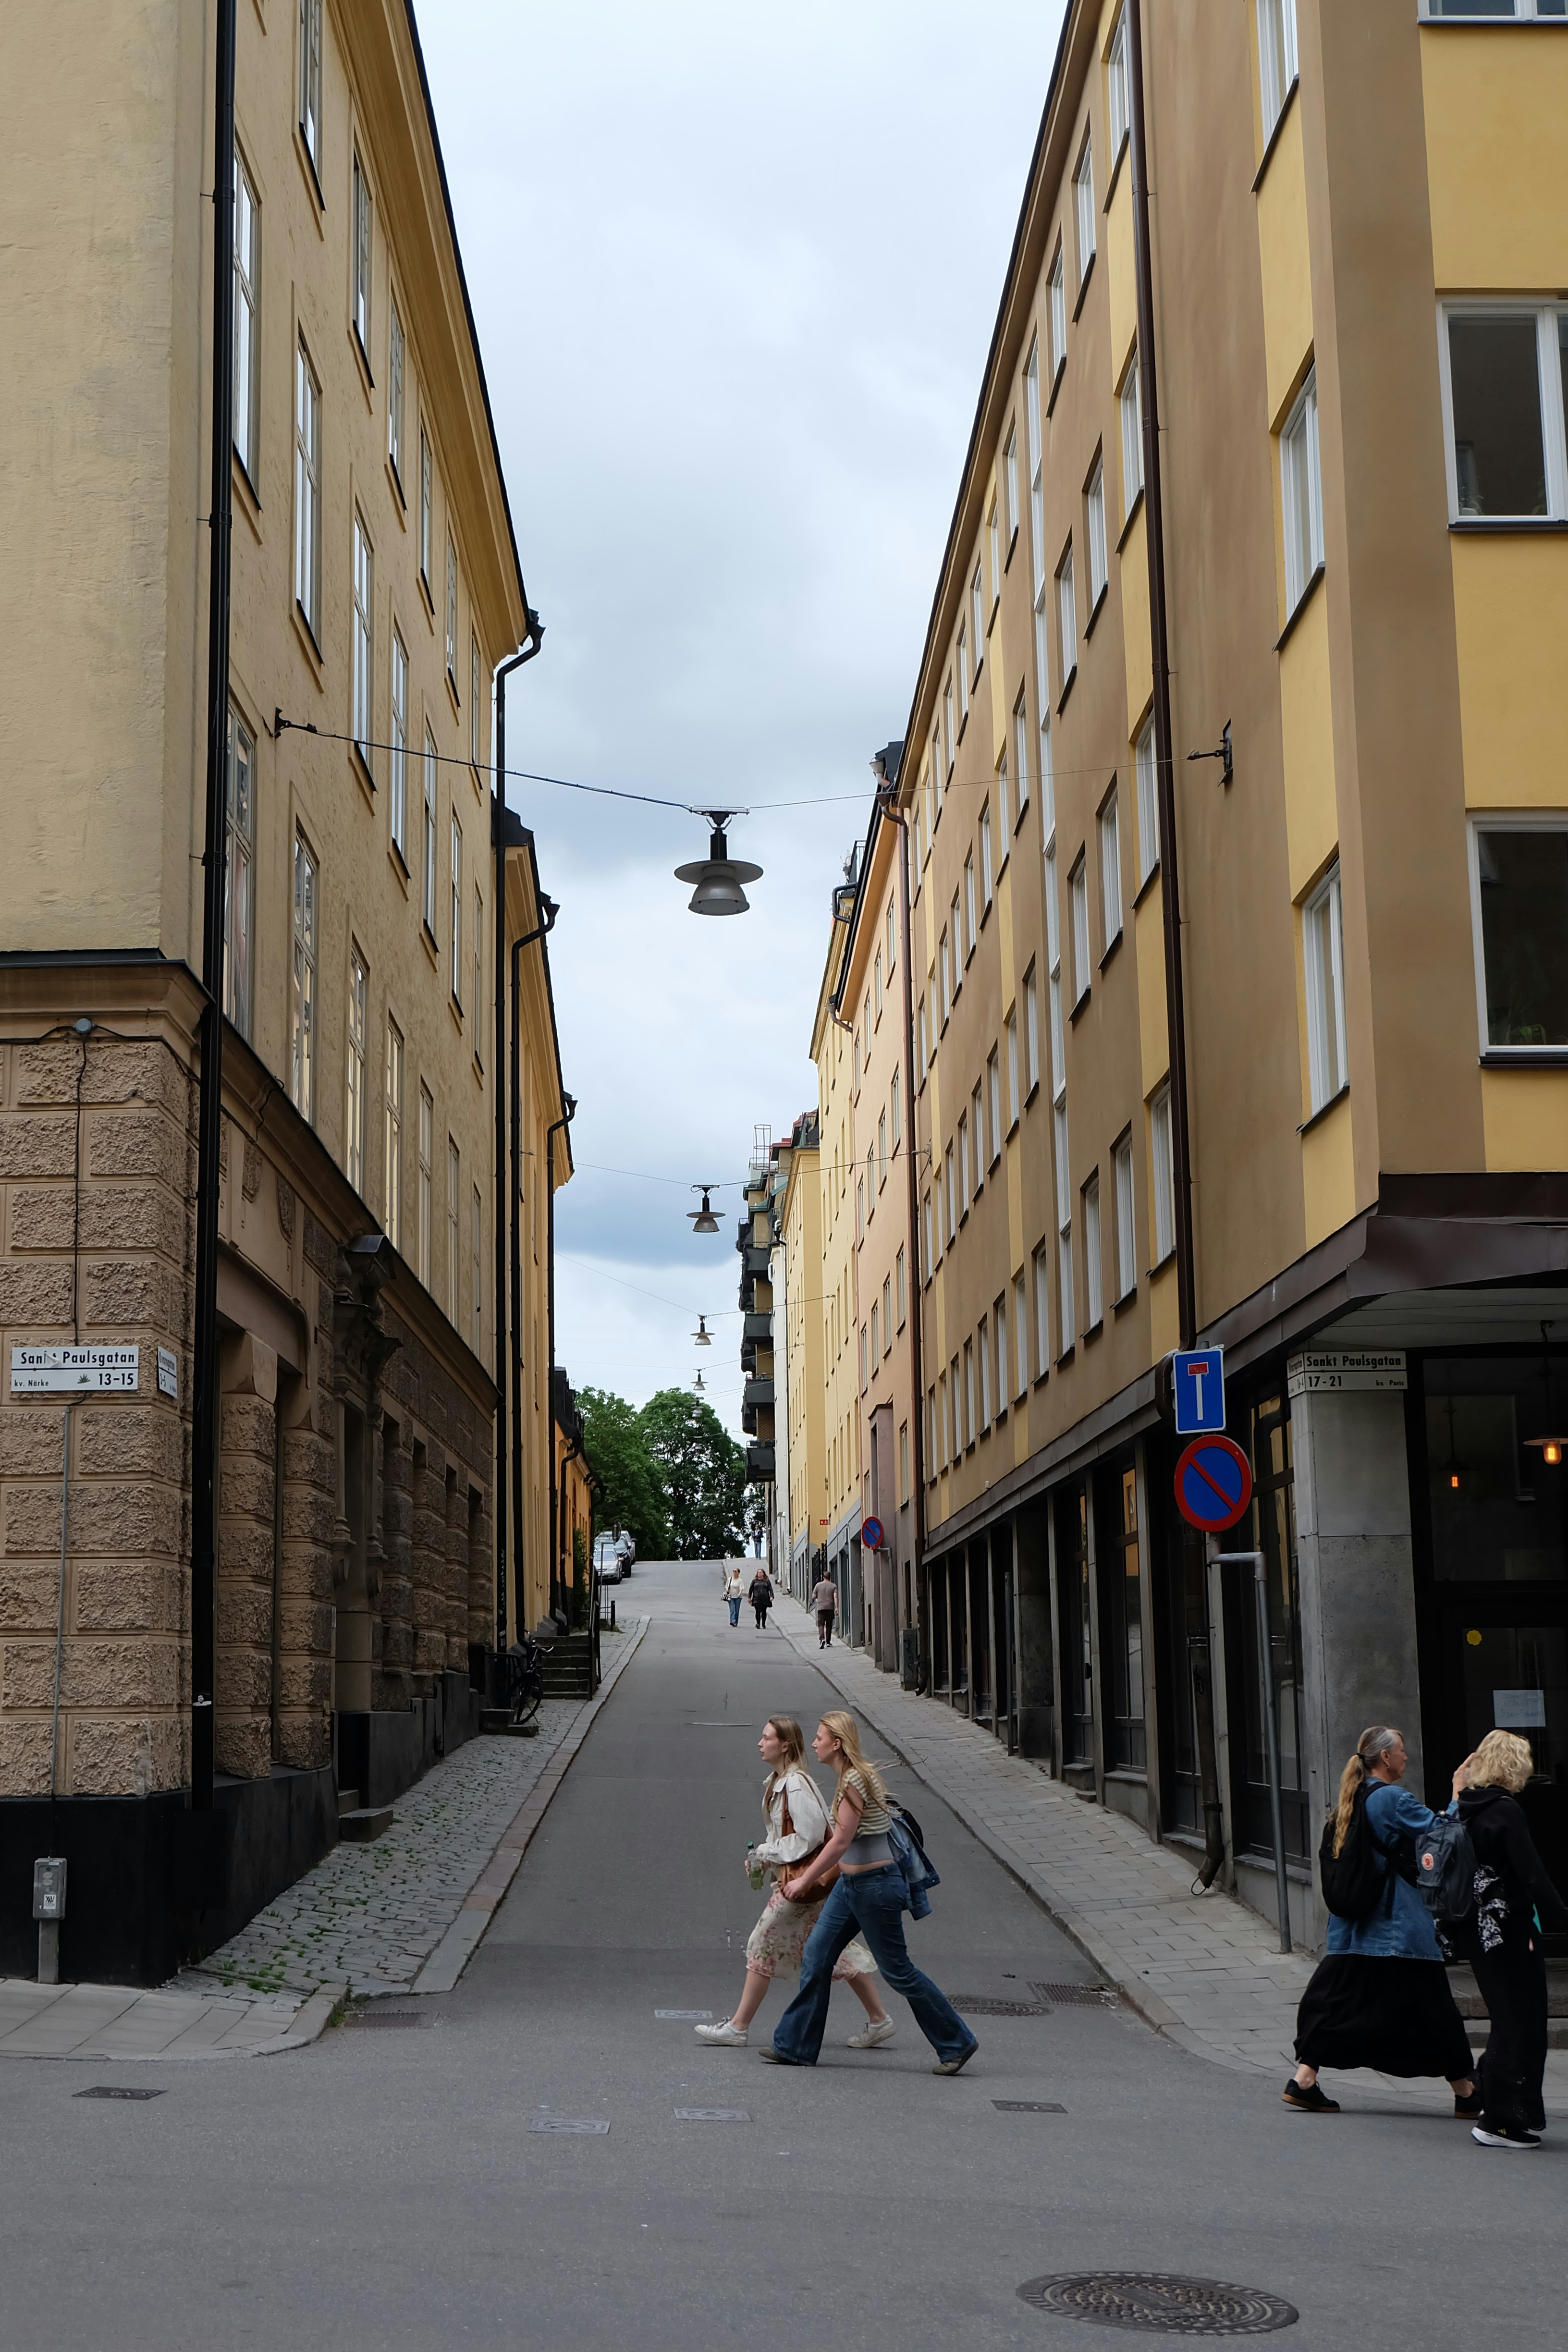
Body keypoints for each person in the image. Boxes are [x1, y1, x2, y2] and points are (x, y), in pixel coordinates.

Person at [761, 1711, 979, 2076]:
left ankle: (957, 2041)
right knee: (816, 1955)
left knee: (898, 1971)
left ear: (838, 1744)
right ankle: (795, 2046)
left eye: (820, 1738)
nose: (814, 1743)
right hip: (852, 1887)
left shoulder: (854, 1781)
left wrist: (805, 1880)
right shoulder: (849, 1777)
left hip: (876, 1887)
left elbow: (842, 1841)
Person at [1286, 1724, 1477, 2116]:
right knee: (1434, 2008)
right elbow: (1444, 1834)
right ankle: (1467, 2093)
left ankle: (1304, 2079)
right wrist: (1459, 1792)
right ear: (1385, 1758)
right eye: (1402, 1751)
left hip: (1353, 1928)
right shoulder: (1391, 1798)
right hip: (1397, 1928)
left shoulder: (1350, 1797)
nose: (1407, 1757)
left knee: (1332, 2001)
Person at [695, 1717, 891, 2050]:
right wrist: (765, 1857)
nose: (760, 1742)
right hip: (805, 1879)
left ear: (784, 1745)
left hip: (802, 1881)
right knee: (833, 1948)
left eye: (767, 1737)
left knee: (761, 1942)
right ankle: (879, 2019)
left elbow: (811, 1836)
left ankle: (739, 2027)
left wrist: (767, 1853)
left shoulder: (795, 1785)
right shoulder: (780, 1781)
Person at [1448, 1729, 1568, 2150]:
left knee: (1509, 2015)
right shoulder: (1506, 1810)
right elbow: (1533, 1876)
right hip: (1509, 1930)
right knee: (1523, 2019)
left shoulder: (1466, 1806)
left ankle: (1496, 2106)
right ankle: (1500, 2118)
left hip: (1478, 1930)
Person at [809, 1569, 838, 1649]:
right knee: (829, 1625)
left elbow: (814, 1596)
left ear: (823, 1577)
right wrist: (837, 1607)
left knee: (821, 1624)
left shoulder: (818, 1585)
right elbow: (836, 1596)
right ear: (830, 1578)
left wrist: (818, 1597)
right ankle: (828, 1641)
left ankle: (822, 1639)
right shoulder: (834, 1586)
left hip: (821, 1608)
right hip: (830, 1608)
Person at [748, 1567, 773, 1631]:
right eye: (758, 1573)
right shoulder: (754, 1581)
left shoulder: (767, 1581)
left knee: (764, 1611)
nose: (759, 1574)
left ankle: (764, 1624)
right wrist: (749, 1597)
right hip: (757, 1598)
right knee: (758, 1611)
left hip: (765, 1598)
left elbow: (770, 1589)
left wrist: (772, 1596)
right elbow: (751, 1590)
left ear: (763, 1574)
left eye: (761, 1572)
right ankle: (758, 1623)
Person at [722, 1562, 745, 1628]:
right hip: (731, 1597)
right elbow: (727, 1586)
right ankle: (732, 1621)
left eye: (736, 1571)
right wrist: (727, 1590)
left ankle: (736, 1622)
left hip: (738, 1597)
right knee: (732, 1609)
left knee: (737, 1611)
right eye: (734, 1571)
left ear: (738, 1573)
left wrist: (739, 1594)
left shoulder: (740, 1580)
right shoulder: (730, 1579)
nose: (734, 1572)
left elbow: (741, 1588)